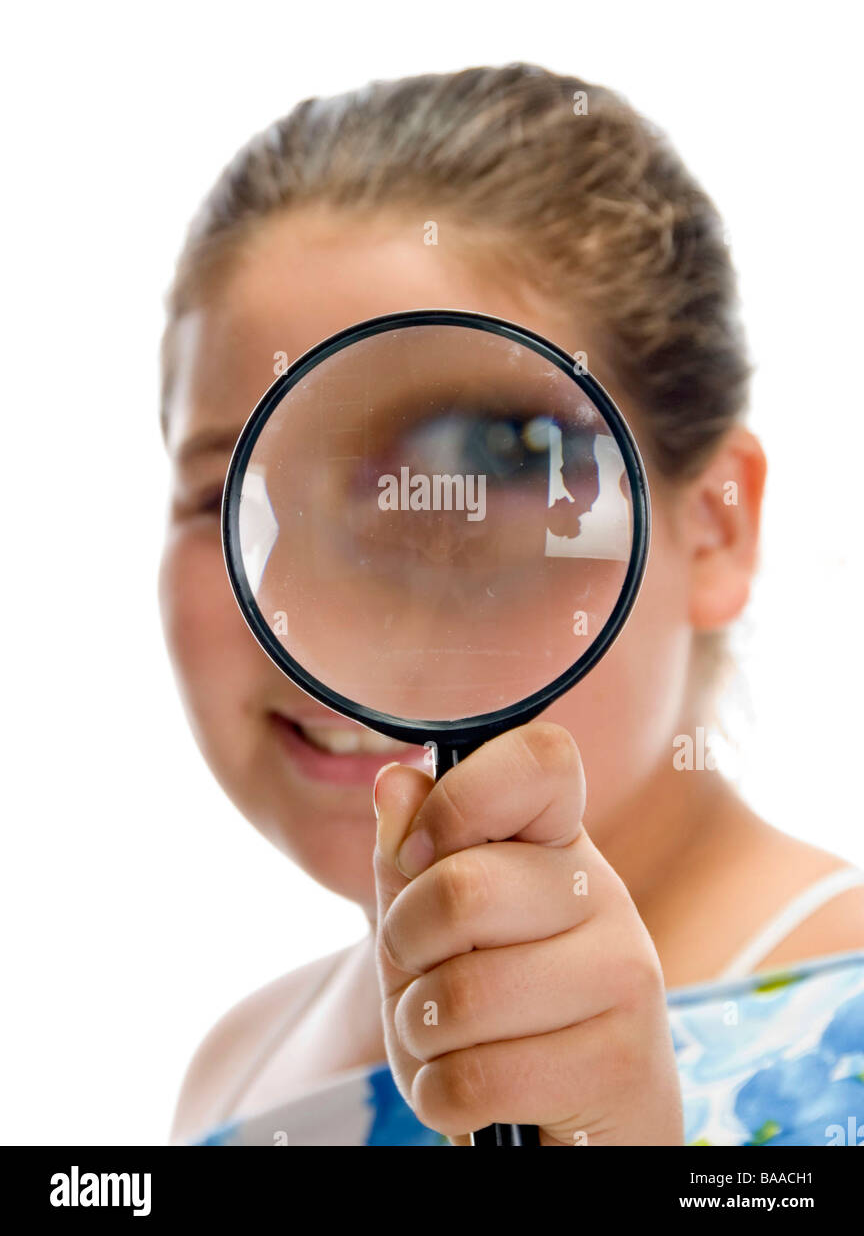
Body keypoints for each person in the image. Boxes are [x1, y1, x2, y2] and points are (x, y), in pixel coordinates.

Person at [158, 63, 864, 1146]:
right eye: (231, 497)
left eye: (490, 459)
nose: (319, 607)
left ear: (715, 524)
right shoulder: (240, 1060)